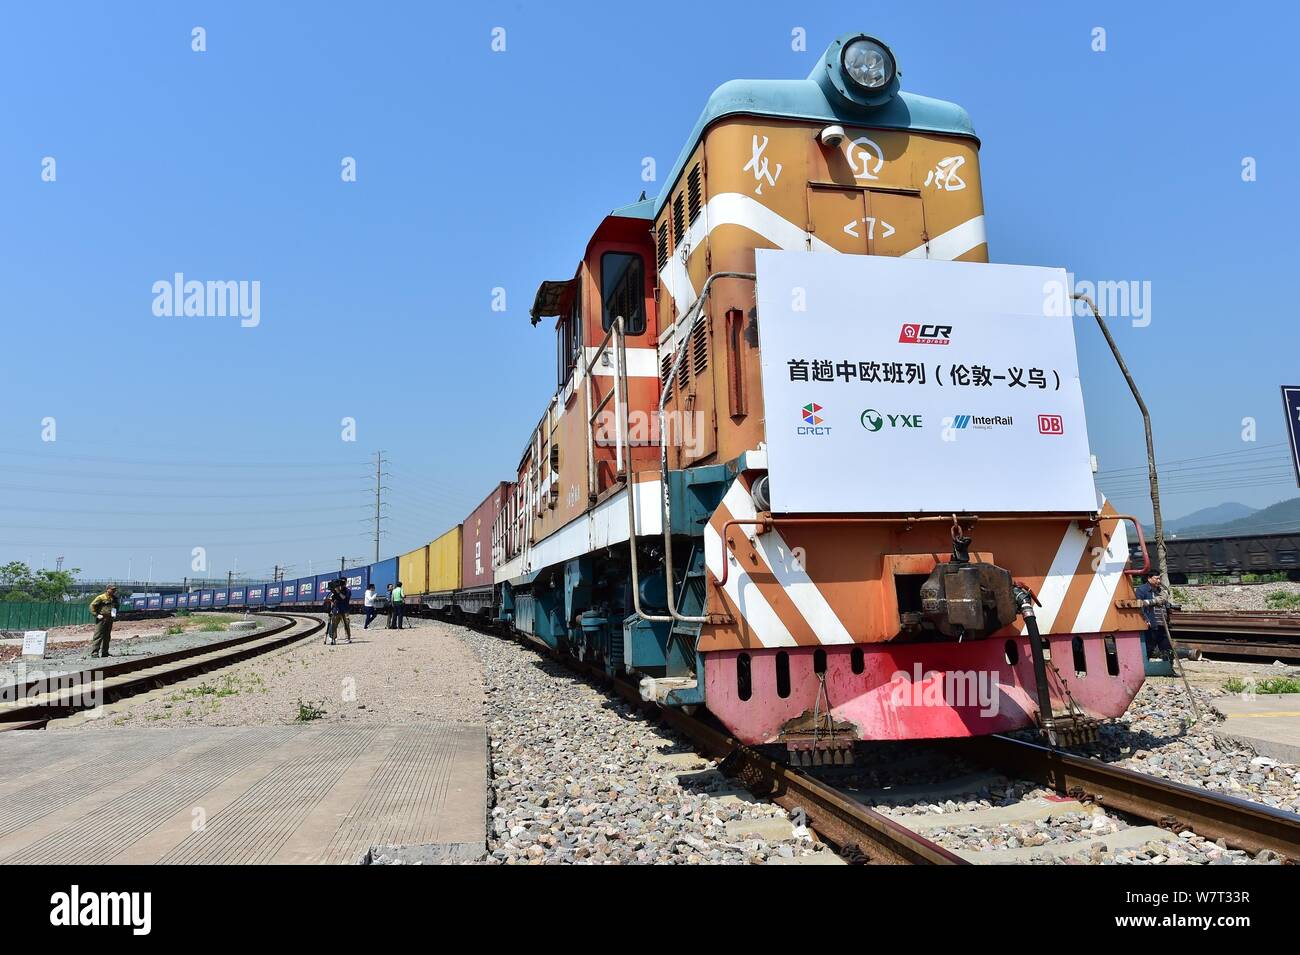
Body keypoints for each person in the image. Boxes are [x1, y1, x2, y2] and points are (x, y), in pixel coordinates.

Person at [1135, 573, 1172, 660]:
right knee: (1149, 647)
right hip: (1151, 624)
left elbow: (1164, 603)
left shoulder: (1160, 590)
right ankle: (1144, 668)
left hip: (1162, 624)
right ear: (1149, 578)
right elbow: (1139, 606)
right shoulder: (1142, 590)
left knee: (1166, 648)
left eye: (1159, 579)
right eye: (1156, 578)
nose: (1159, 581)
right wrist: (1145, 619)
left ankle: (1168, 668)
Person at [89, 585, 119, 658]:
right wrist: (96, 614)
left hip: (109, 619)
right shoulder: (101, 597)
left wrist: (114, 614)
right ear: (107, 589)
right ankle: (95, 653)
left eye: (114, 590)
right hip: (101, 619)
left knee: (107, 636)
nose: (113, 591)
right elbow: (92, 606)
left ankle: (105, 653)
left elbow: (116, 606)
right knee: (98, 636)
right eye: (112, 589)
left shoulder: (115, 598)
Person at [331, 578, 352, 644]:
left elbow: (344, 598)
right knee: (334, 625)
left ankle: (347, 638)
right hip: (336, 610)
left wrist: (338, 592)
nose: (341, 584)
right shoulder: (334, 591)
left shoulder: (347, 591)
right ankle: (333, 638)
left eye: (343, 582)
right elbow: (332, 600)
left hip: (345, 610)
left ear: (345, 582)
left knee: (346, 625)